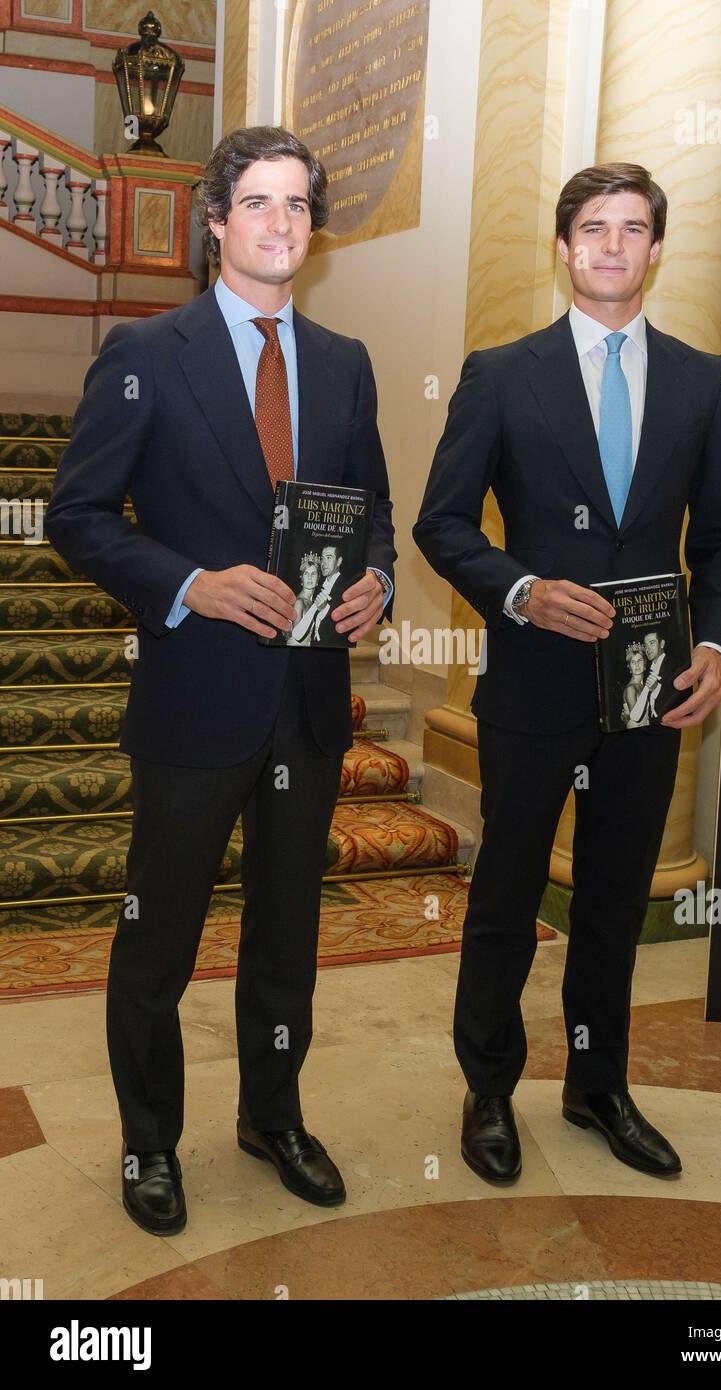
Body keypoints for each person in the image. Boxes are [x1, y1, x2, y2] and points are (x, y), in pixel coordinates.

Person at [44, 126, 396, 1235]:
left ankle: (272, 1115)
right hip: (195, 697)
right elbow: (77, 517)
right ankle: (150, 1140)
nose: (280, 223)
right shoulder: (148, 348)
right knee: (160, 933)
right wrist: (189, 581)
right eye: (257, 202)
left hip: (307, 697)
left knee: (287, 933)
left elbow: (372, 510)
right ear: (214, 222)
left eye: (297, 204)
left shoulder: (342, 361)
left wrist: (377, 579)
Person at [414, 162, 721, 1183]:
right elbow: (439, 522)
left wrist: (716, 643)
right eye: (592, 228)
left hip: (651, 689)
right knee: (506, 891)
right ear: (562, 248)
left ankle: (596, 1084)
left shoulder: (703, 381)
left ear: (655, 250)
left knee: (611, 896)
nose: (611, 244)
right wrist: (520, 590)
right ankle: (486, 1086)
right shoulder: (500, 372)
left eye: (632, 228)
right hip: (531, 680)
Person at [621, 642, 649, 728]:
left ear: (645, 665)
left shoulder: (644, 685)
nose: (636, 665)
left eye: (639, 660)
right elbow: (636, 717)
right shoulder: (631, 688)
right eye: (633, 662)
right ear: (629, 667)